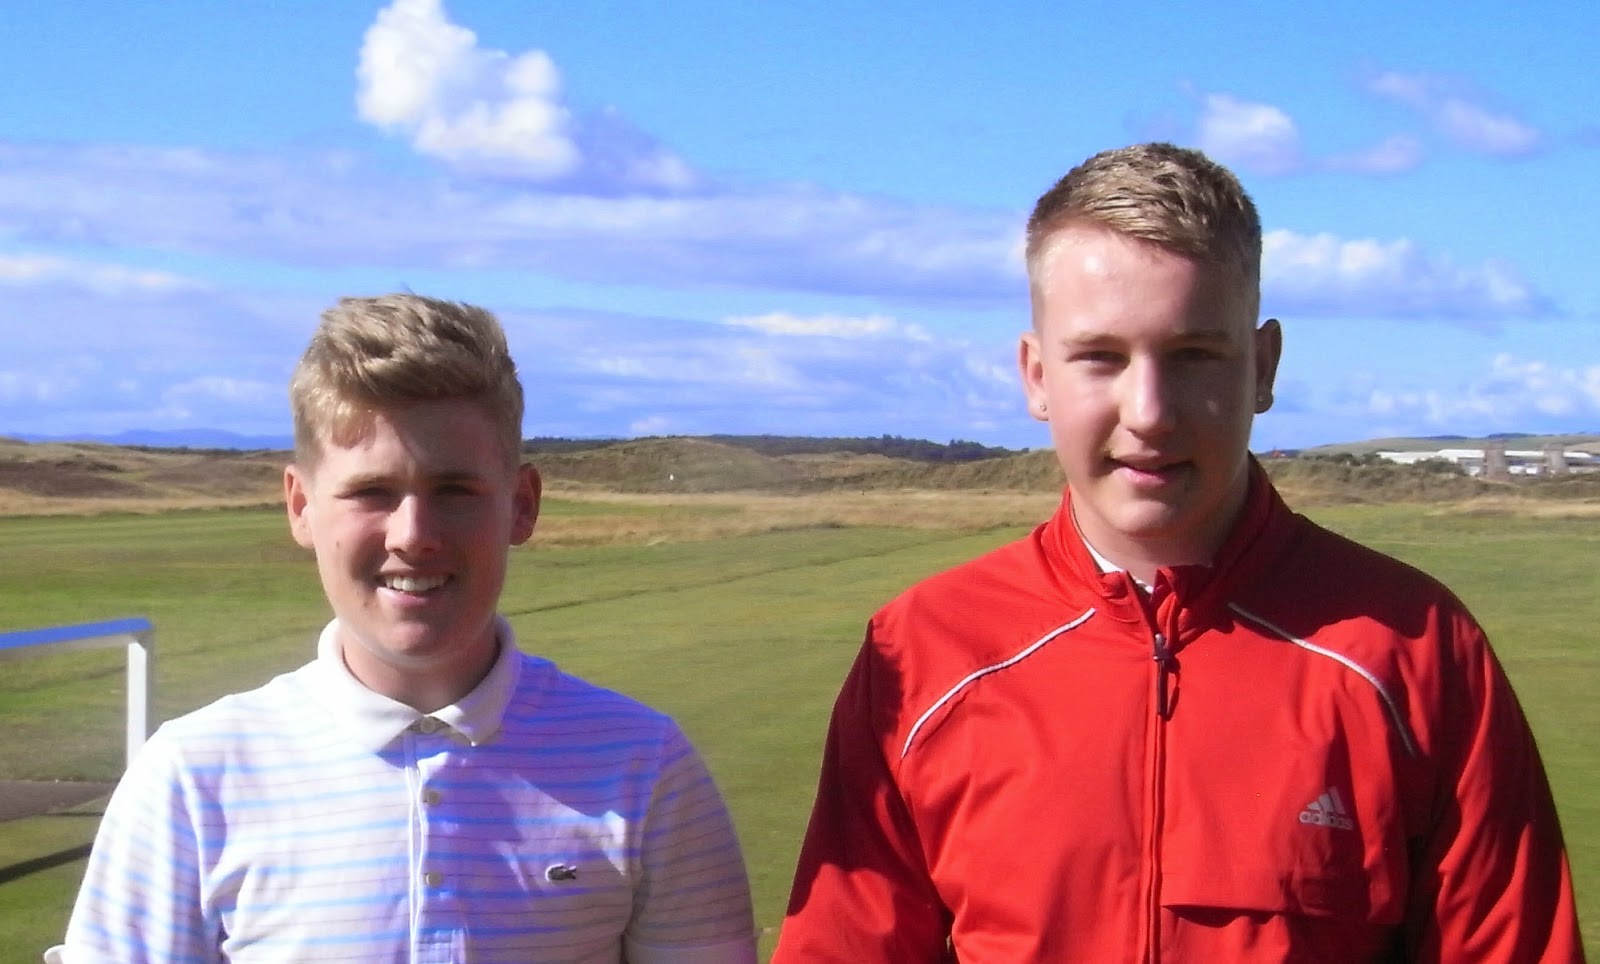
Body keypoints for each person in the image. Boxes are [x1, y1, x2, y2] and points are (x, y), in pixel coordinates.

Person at [772, 143, 1583, 962]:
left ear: (1263, 366)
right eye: (1100, 357)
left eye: (1194, 356)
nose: (1149, 412)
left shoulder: (1414, 647)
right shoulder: (923, 649)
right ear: (1037, 376)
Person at [48, 294, 757, 963]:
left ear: (521, 504)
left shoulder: (643, 762)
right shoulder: (192, 774)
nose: (413, 535)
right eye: (371, 492)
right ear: (301, 506)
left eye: (455, 490)